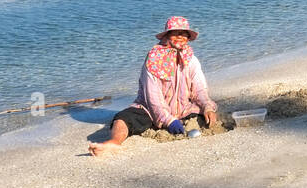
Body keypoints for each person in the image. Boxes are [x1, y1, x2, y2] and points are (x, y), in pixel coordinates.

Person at [89, 16, 219, 156]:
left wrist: (207, 107)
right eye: (176, 33)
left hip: (183, 109)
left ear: (188, 37)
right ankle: (114, 143)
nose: (180, 36)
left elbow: (199, 90)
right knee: (122, 119)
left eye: (184, 33)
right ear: (167, 36)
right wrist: (168, 120)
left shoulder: (191, 60)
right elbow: (153, 97)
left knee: (208, 112)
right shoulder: (153, 59)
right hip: (150, 110)